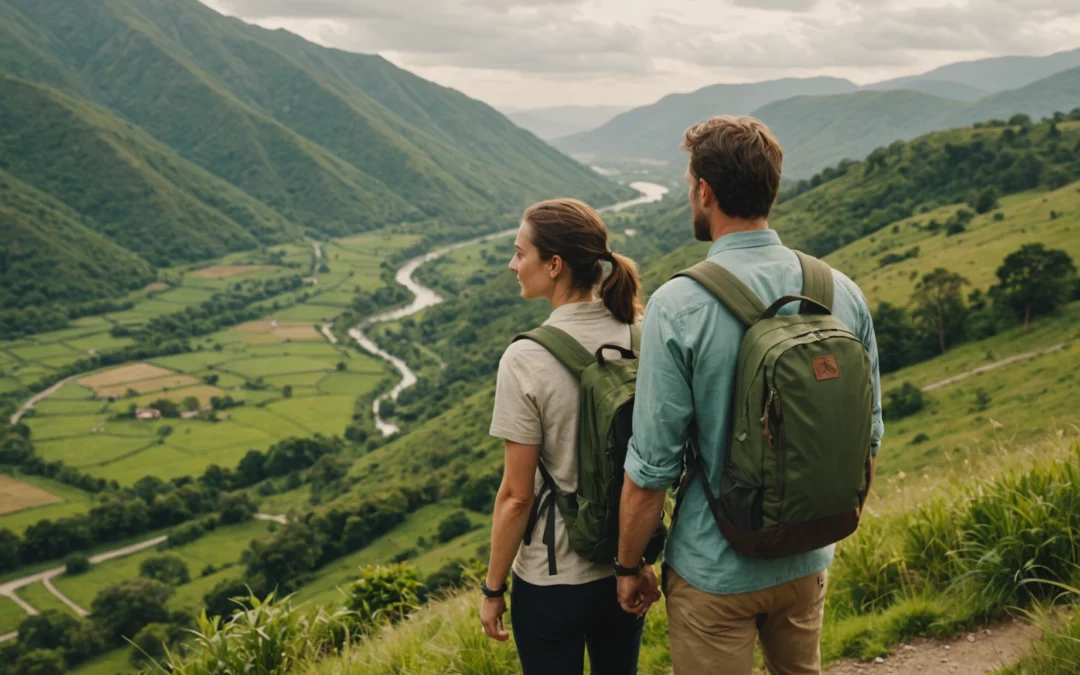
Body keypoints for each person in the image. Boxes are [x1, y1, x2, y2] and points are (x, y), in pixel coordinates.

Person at [614, 116, 884, 674]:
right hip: (808, 557)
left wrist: (629, 566)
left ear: (704, 191)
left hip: (715, 569)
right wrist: (824, 522)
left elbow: (652, 469)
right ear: (772, 187)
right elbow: (869, 437)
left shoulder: (678, 305)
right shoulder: (840, 292)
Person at [479, 198, 655, 675]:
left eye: (520, 253)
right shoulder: (640, 335)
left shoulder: (525, 359)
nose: (513, 264)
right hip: (625, 560)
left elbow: (516, 497)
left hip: (552, 577)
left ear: (554, 265)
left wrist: (493, 589)